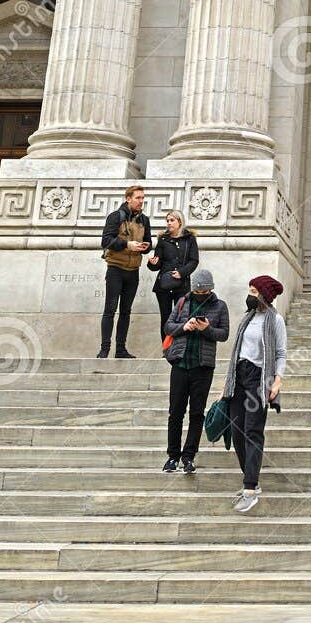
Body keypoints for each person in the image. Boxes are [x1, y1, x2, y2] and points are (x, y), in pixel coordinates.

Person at [222, 274, 287, 514]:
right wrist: (225, 386)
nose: (249, 295)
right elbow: (237, 351)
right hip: (238, 377)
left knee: (252, 431)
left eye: (253, 291)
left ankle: (250, 488)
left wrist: (277, 381)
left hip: (259, 379)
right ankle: (252, 479)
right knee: (237, 432)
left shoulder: (275, 320)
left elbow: (280, 352)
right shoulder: (247, 318)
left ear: (263, 294)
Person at [162, 268, 229, 474]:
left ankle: (189, 456)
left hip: (203, 366)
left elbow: (224, 334)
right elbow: (168, 327)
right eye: (198, 291)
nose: (201, 294)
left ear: (211, 289)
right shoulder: (183, 302)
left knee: (197, 413)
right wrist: (185, 326)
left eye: (205, 291)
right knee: (175, 412)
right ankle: (172, 456)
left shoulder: (219, 306)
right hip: (180, 364)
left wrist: (206, 329)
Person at [98, 184, 152, 359]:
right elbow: (106, 240)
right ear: (128, 198)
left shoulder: (144, 220)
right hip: (115, 268)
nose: (141, 202)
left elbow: (148, 243)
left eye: (143, 198)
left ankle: (120, 349)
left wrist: (145, 247)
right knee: (110, 309)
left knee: (126, 311)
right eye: (138, 198)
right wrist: (127, 244)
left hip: (133, 270)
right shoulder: (115, 217)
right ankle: (104, 349)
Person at [146, 211, 200, 340]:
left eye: (172, 220)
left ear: (179, 222)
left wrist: (181, 273)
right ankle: (166, 348)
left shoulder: (190, 239)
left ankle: (178, 347)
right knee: (166, 317)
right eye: (168, 220)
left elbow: (194, 261)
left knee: (181, 317)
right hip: (163, 285)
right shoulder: (163, 239)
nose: (169, 223)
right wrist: (153, 263)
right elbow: (157, 265)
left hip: (182, 285)